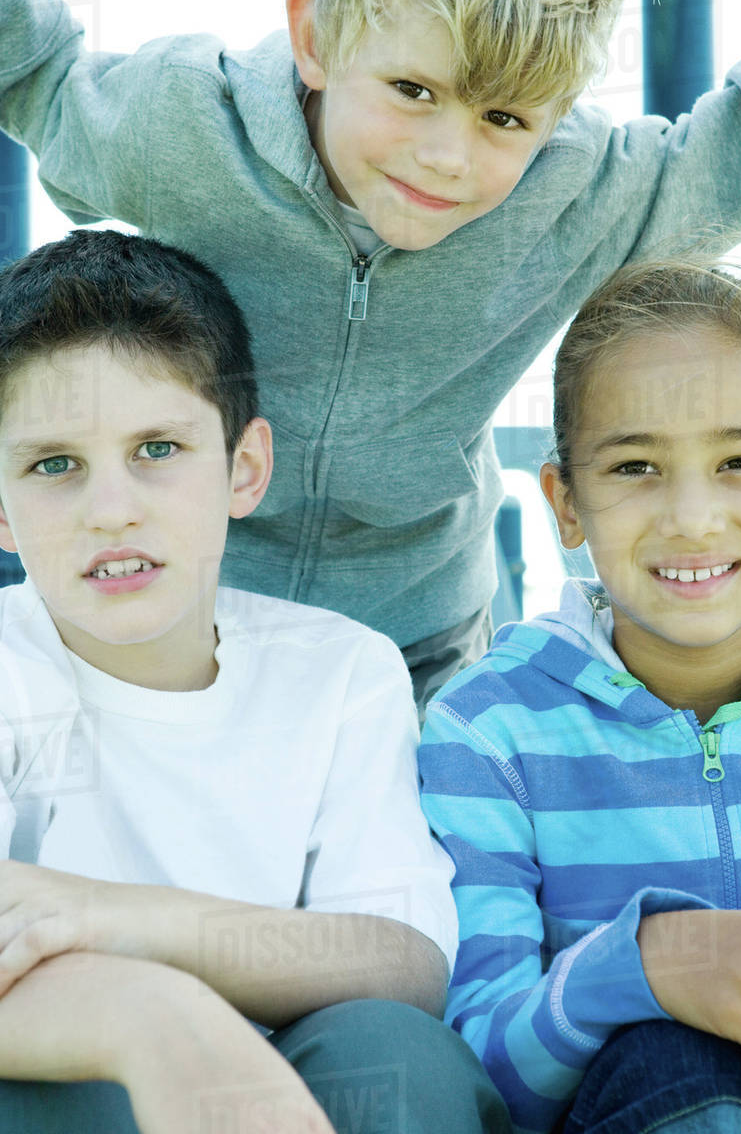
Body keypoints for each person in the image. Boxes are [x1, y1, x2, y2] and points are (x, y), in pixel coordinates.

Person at [3, 0, 741, 712]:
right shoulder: (183, 125)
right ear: (315, 38)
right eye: (412, 91)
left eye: (503, 118)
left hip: (414, 639)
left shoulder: (579, 191)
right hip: (176, 615)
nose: (445, 156)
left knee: (423, 839)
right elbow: (40, 74)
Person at [0, 228, 511, 1134]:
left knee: (395, 1056)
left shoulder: (342, 670)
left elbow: (403, 961)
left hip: (287, 1093)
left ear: (244, 468)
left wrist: (111, 920)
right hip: (71, 1077)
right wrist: (156, 1019)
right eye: (54, 465)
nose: (110, 509)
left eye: (157, 448)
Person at [418, 258, 741, 1133]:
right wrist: (644, 967)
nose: (692, 518)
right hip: (655, 1109)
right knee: (669, 1052)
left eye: (740, 459)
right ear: (565, 503)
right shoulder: (486, 731)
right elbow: (480, 1073)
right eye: (634, 468)